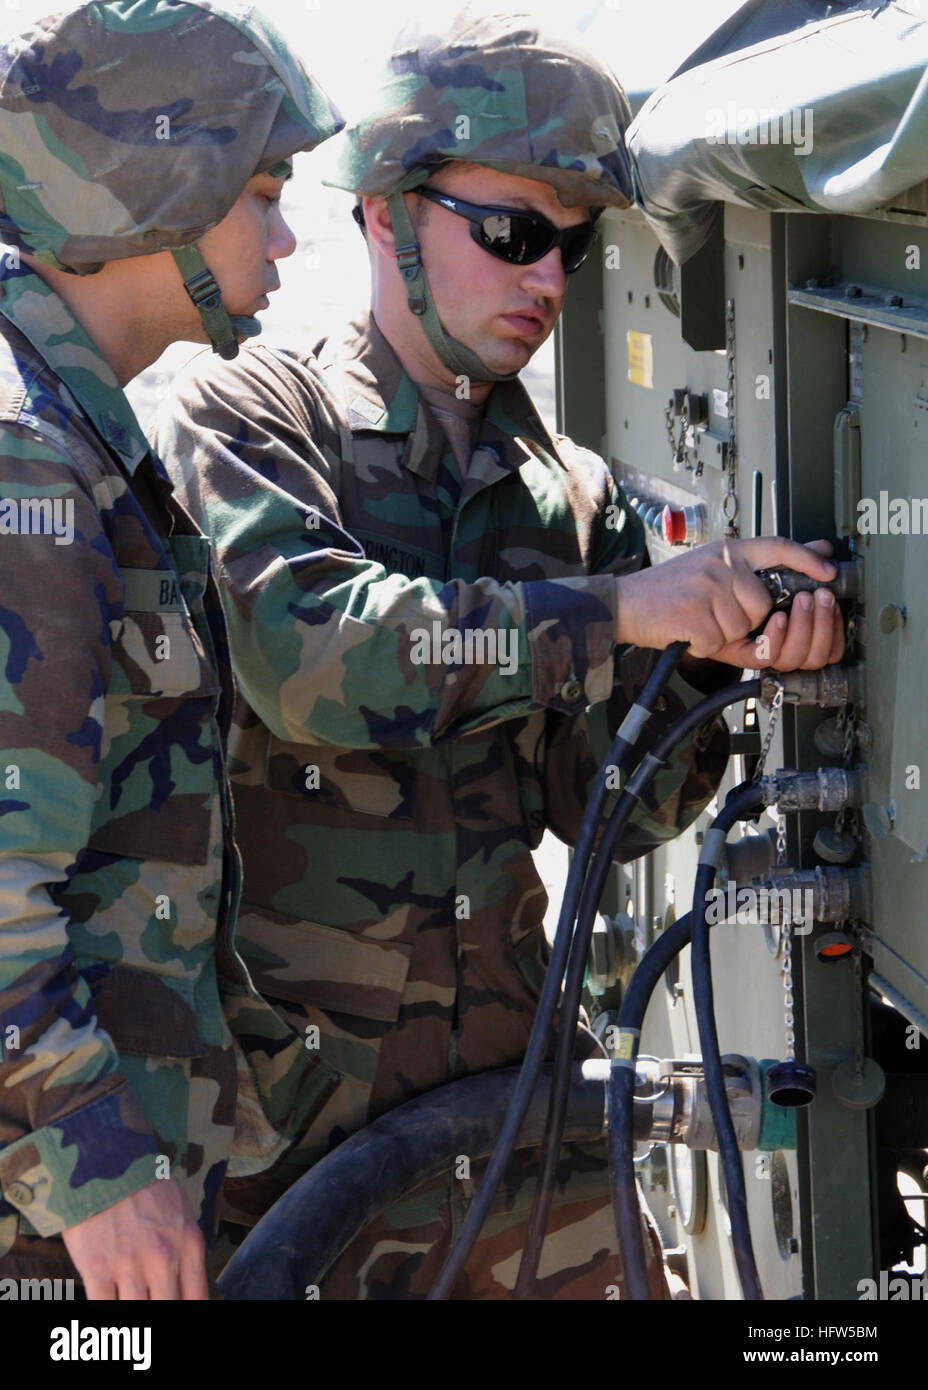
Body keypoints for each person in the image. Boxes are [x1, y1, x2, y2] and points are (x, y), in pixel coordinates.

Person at [154, 9, 844, 1298]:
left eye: (572, 246)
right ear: (385, 214)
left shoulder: (569, 493)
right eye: (515, 234)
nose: (550, 280)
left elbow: (602, 809)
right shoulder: (246, 415)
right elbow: (309, 657)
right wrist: (623, 612)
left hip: (525, 1137)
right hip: (288, 1150)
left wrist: (712, 662)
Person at [0, 0, 342, 1300]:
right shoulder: (27, 461)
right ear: (161, 191)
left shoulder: (65, 426)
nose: (286, 237)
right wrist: (95, 1168)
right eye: (264, 193)